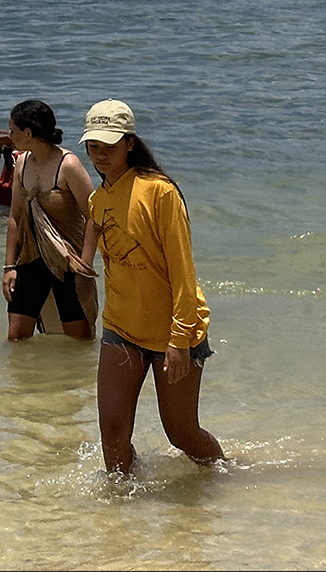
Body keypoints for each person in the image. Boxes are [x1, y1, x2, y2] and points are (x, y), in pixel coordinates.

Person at [78, 99, 223, 475]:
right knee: (112, 431)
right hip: (121, 326)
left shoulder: (160, 193)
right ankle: (121, 515)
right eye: (93, 147)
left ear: (129, 143)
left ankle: (222, 474)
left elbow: (183, 272)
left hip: (174, 330)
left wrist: (179, 339)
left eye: (109, 146)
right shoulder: (98, 199)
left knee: (181, 432)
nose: (100, 155)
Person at [2, 99, 96, 341]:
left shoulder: (69, 165)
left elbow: (94, 218)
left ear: (28, 133)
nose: (10, 135)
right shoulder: (21, 163)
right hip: (31, 258)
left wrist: (85, 270)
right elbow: (14, 216)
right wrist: (9, 267)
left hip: (68, 262)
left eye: (13, 130)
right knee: (16, 337)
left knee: (79, 340)